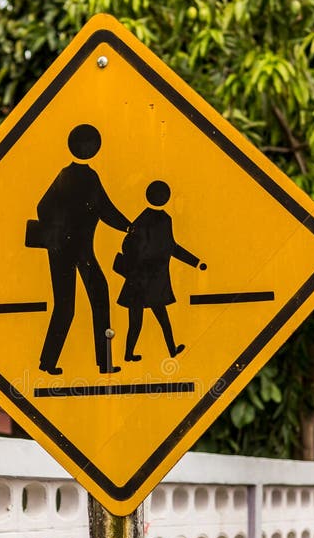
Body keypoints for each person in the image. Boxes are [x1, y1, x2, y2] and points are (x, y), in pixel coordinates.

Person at [29, 124, 129, 375]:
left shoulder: (86, 176)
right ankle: (51, 363)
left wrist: (128, 226)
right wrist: (62, 231)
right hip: (66, 251)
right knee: (69, 306)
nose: (87, 148)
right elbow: (43, 207)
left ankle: (100, 363)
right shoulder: (71, 176)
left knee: (95, 299)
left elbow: (106, 209)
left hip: (77, 251)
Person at [116, 180, 206, 361]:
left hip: (138, 280)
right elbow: (172, 248)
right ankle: (170, 350)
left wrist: (195, 262)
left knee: (137, 321)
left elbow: (127, 245)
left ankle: (129, 354)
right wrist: (196, 263)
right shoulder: (164, 220)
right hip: (153, 280)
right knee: (161, 319)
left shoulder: (141, 219)